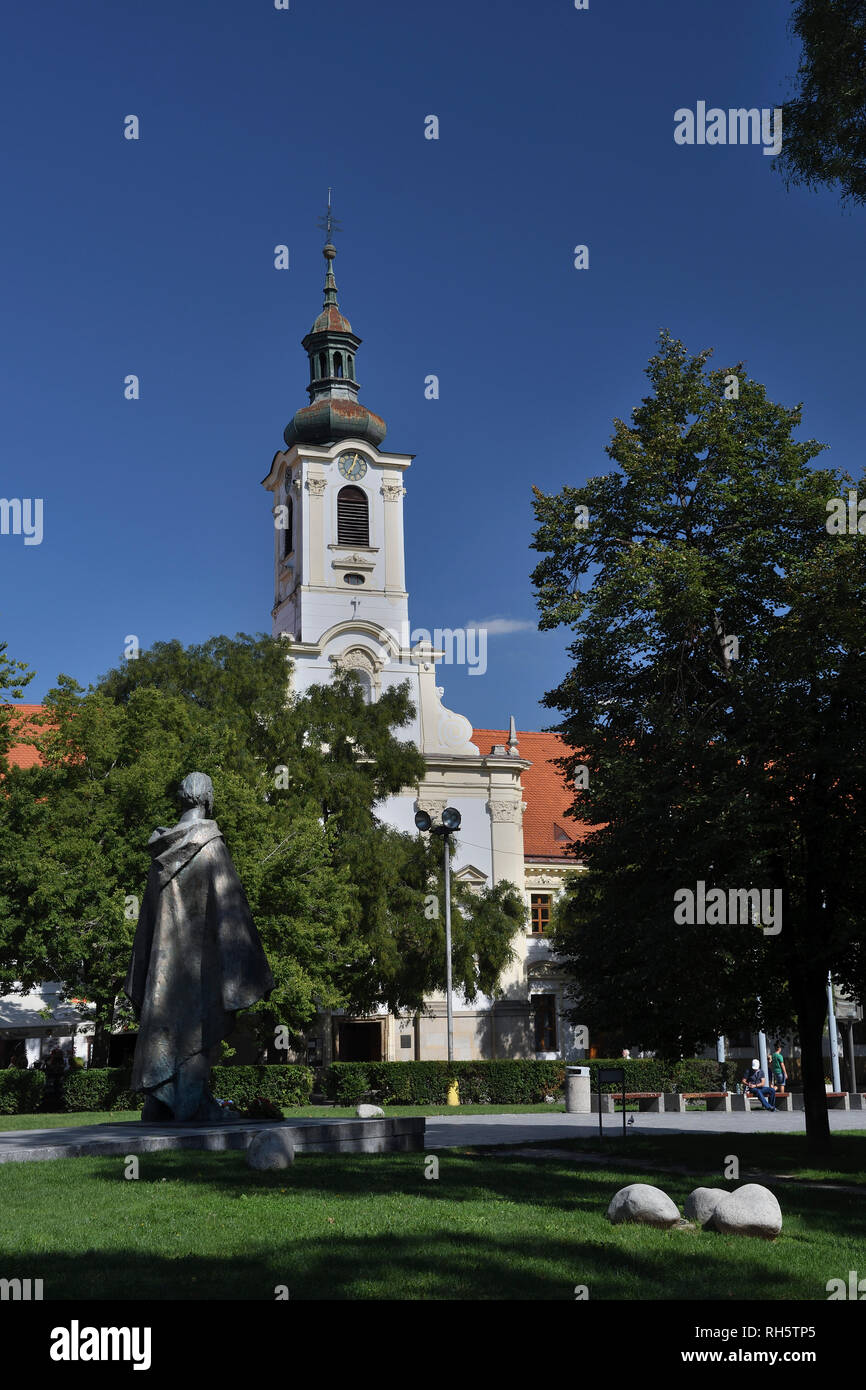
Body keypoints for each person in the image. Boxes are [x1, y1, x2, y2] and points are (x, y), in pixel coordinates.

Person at [125, 772, 274, 1123]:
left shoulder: (160, 853)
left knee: (167, 1022)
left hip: (166, 966)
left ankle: (159, 1102)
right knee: (200, 1022)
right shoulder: (211, 844)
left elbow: (148, 923)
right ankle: (192, 1103)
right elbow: (230, 909)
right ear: (208, 798)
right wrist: (242, 966)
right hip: (201, 965)